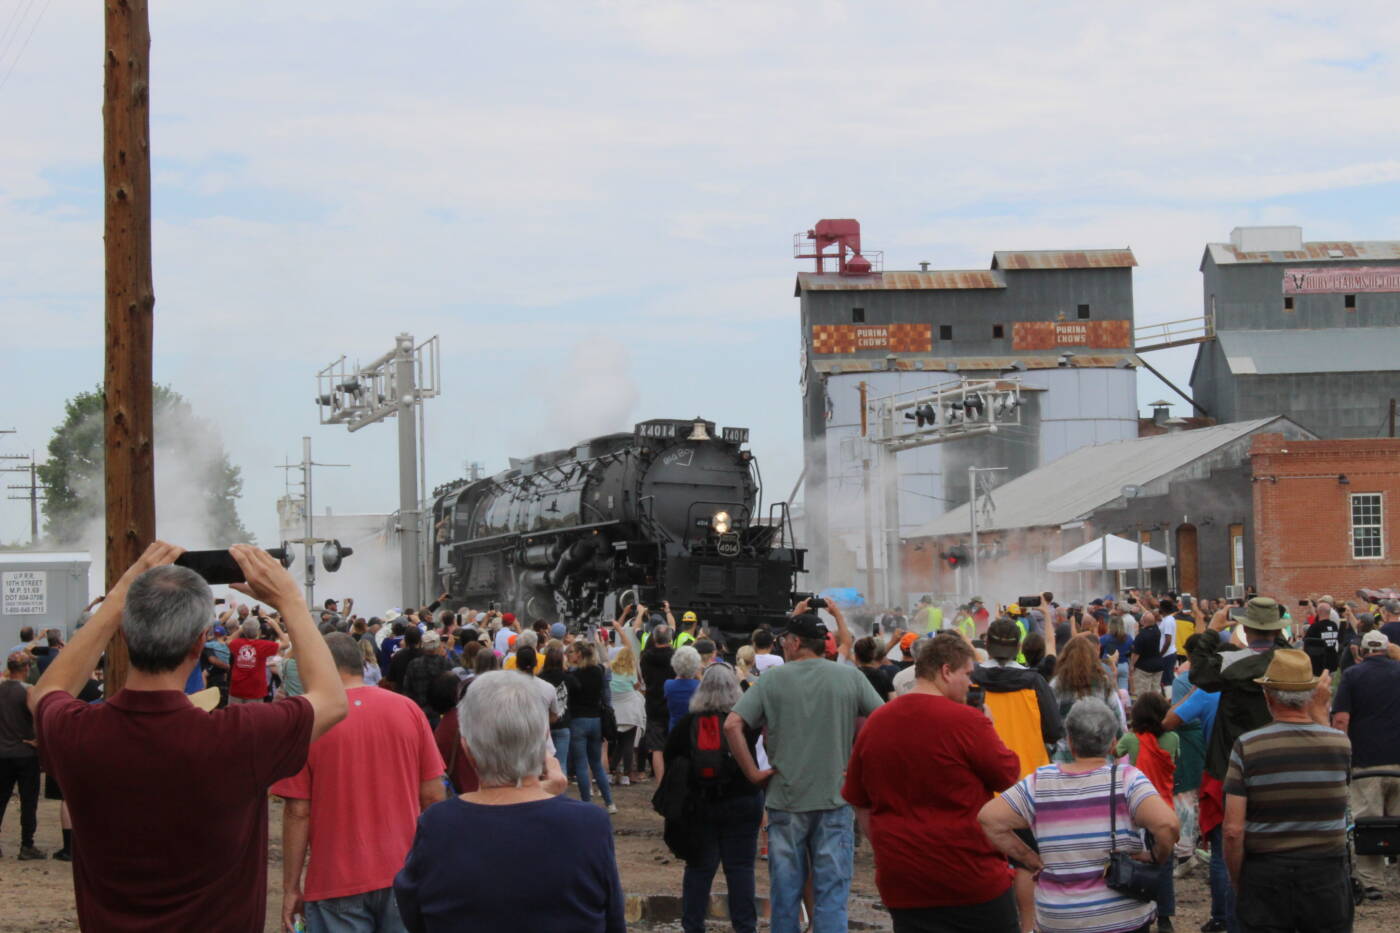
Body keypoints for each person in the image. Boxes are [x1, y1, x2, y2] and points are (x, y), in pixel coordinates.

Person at [30, 543, 347, 932]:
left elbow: (44, 693)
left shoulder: (76, 733)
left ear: (125, 636)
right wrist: (290, 600)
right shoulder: (239, 736)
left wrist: (118, 597)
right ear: (200, 643)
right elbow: (332, 701)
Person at [393, 671, 624, 932]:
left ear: (468, 750)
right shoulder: (589, 824)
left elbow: (413, 911)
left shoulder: (437, 825)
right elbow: (612, 918)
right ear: (541, 745)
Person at [725, 600, 883, 933]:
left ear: (796, 643)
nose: (782, 643)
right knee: (832, 894)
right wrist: (859, 768)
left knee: (785, 895)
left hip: (786, 800)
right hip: (834, 799)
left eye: (786, 639)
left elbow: (732, 725)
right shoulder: (848, 677)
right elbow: (884, 720)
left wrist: (753, 773)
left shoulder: (772, 680)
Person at [844, 634, 1021, 932]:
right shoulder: (968, 721)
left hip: (903, 878)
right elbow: (1008, 777)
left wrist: (889, 848)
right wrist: (988, 722)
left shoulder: (877, 721)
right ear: (946, 671)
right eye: (967, 673)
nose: (970, 683)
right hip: (969, 875)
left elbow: (860, 801)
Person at [275, 633, 446, 933]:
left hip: (336, 880)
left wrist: (290, 887)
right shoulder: (407, 710)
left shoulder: (309, 722)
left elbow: (298, 812)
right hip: (403, 872)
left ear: (322, 666)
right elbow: (433, 797)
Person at [979, 697, 1180, 933]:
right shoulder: (1127, 779)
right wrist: (1156, 855)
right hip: (1122, 916)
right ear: (1112, 742)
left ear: (1070, 741)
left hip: (1061, 919)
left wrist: (1030, 859)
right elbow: (1168, 825)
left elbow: (989, 819)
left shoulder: (1040, 781)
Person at [1223, 650, 1351, 933]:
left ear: (1267, 696)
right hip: (1325, 873)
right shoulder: (1340, 744)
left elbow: (1233, 830)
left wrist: (1237, 880)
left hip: (1265, 873)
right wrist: (1320, 713)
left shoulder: (1248, 746)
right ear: (1310, 695)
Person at [664, 664, 764, 933]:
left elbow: (671, 759)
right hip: (743, 799)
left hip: (701, 803)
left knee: (699, 868)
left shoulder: (687, 724)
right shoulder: (744, 723)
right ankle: (745, 926)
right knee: (741, 868)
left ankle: (693, 925)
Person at [1331, 629, 1400, 900]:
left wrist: (1342, 753)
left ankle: (1373, 883)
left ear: (1362, 650)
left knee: (1367, 822)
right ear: (1386, 649)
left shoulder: (1352, 676)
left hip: (1365, 761)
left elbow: (1341, 720)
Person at [1117, 692, 1178, 932]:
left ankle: (1140, 908)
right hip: (1165, 807)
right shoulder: (1173, 738)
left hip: (1138, 807)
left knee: (1138, 860)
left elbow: (1114, 753)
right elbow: (1176, 763)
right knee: (1164, 863)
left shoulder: (1132, 739)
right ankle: (1165, 917)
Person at [973, 617, 1064, 778]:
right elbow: (1054, 730)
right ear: (1018, 647)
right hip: (1029, 782)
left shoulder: (970, 682)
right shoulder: (1035, 683)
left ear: (987, 645)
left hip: (984, 781)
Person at [1050, 633, 1124, 760]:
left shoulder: (1057, 684)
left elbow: (1050, 721)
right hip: (1100, 755)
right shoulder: (1103, 682)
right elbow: (1117, 718)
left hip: (1065, 756)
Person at [0, 651, 43, 859]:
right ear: (26, 668)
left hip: (2, 753)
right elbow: (39, 715)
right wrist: (38, 740)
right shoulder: (28, 691)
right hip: (25, 753)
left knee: (1, 799)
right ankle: (27, 845)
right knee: (28, 801)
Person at [566, 640, 615, 813]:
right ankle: (610, 802)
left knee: (581, 763)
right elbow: (606, 664)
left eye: (572, 652)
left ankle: (586, 802)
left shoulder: (573, 675)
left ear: (579, 655)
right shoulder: (598, 671)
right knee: (596, 763)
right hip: (596, 720)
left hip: (578, 720)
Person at [607, 629, 646, 785]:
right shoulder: (631, 672)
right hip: (630, 713)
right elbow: (637, 686)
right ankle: (626, 774)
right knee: (628, 744)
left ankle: (611, 771)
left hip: (614, 714)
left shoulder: (610, 671)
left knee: (618, 744)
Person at [640, 623, 676, 780]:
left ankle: (661, 783)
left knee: (656, 747)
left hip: (653, 702)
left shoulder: (646, 657)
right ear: (670, 638)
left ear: (654, 638)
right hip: (672, 702)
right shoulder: (676, 656)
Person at [228, 613, 287, 703]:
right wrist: (275, 625)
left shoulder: (237, 643)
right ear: (258, 632)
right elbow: (286, 643)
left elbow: (228, 641)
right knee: (254, 716)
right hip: (255, 690)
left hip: (237, 689)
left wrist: (242, 628)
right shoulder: (263, 645)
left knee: (235, 716)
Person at [403, 630, 452, 721]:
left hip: (420, 712)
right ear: (438, 645)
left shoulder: (414, 664)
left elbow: (407, 690)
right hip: (441, 713)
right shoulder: (445, 663)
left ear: (423, 646)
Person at [1129, 611, 1167, 699]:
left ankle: (1144, 711)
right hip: (1158, 665)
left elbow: (1136, 654)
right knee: (1156, 692)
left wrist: (1131, 665)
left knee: (1143, 694)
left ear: (1143, 621)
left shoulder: (1141, 636)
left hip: (1143, 667)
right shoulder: (1157, 631)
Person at [666, 645, 704, 731]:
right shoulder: (699, 686)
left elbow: (677, 679)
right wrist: (699, 675)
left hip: (674, 728)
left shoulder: (668, 685)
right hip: (694, 728)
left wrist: (680, 670)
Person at [853, 636, 896, 701]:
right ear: (873, 655)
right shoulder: (883, 675)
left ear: (856, 656)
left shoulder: (853, 675)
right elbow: (893, 700)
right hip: (880, 710)